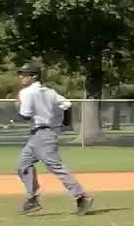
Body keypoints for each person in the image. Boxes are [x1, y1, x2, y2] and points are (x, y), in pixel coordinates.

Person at [14, 62, 93, 216]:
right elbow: (67, 104)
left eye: (24, 74)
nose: (21, 77)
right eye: (21, 74)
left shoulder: (27, 92)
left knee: (56, 167)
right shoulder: (50, 92)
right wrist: (66, 123)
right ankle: (32, 199)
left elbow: (25, 115)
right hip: (41, 135)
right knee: (23, 165)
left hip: (42, 135)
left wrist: (18, 106)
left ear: (34, 76)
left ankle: (82, 197)